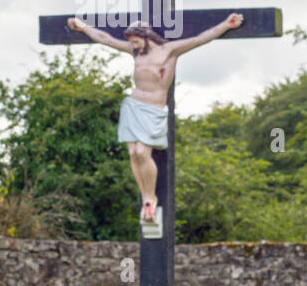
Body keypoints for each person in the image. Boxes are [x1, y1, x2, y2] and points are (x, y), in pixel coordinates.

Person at [66, 12, 244, 226]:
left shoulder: (169, 50)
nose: (133, 45)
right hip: (133, 106)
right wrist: (83, 27)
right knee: (133, 153)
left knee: (143, 152)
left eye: (136, 40)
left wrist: (226, 24)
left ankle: (151, 195)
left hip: (153, 108)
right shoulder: (135, 51)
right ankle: (145, 198)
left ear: (147, 36)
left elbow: (201, 38)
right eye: (131, 42)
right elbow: (106, 39)